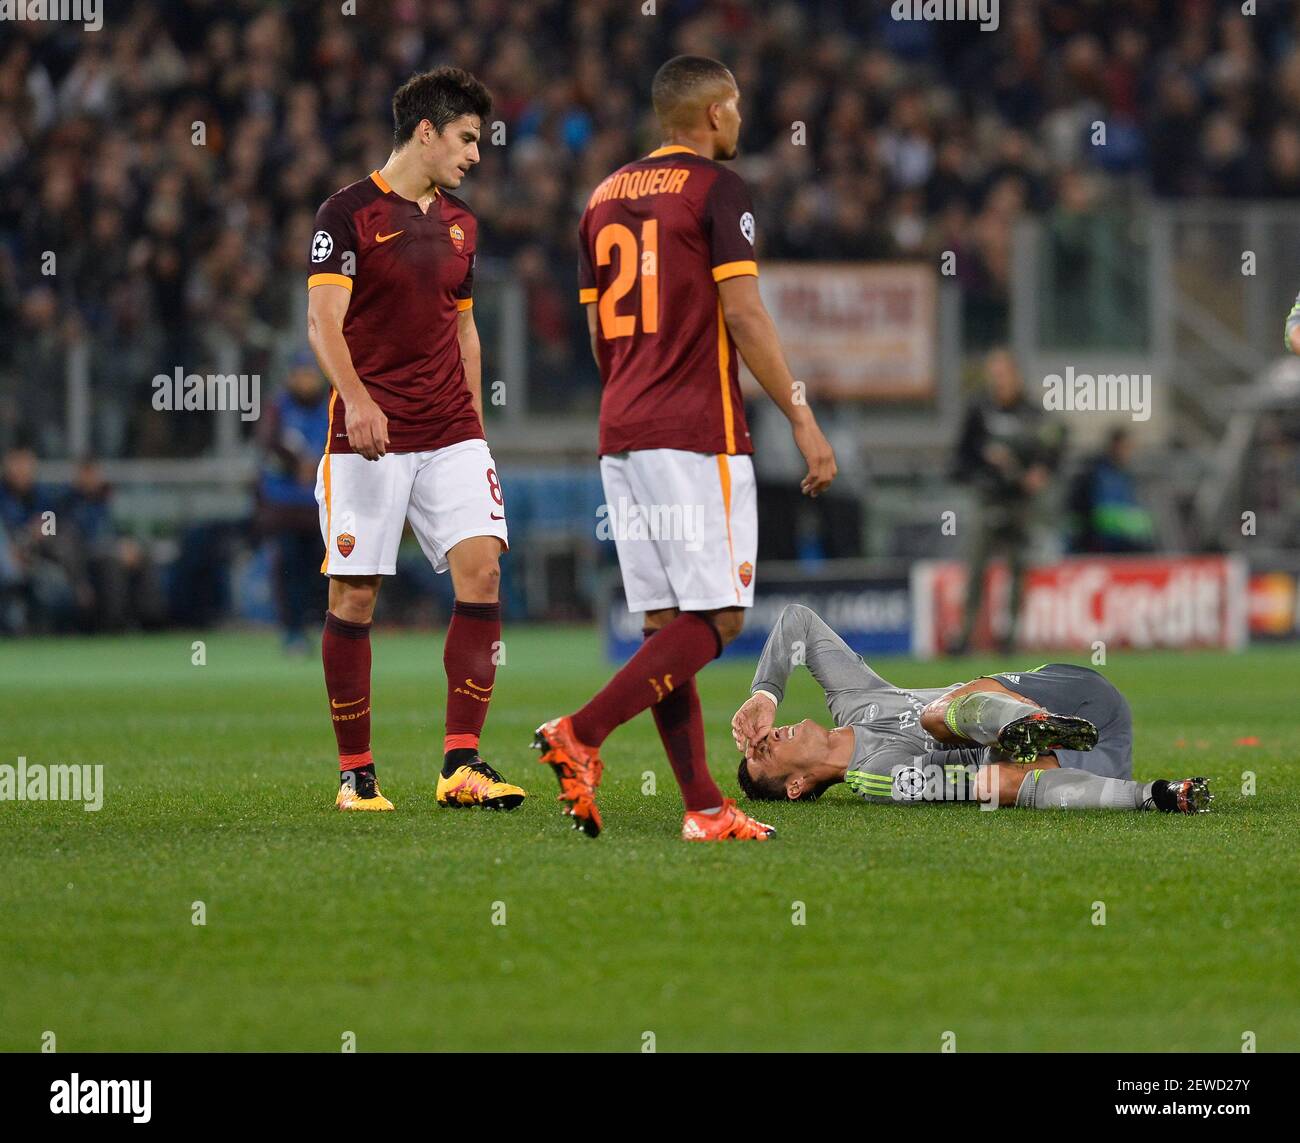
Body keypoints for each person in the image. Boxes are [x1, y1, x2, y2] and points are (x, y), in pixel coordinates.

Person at [533, 55, 838, 841]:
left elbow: (600, 332)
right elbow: (746, 315)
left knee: (666, 623)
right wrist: (801, 417)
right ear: (714, 112)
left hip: (622, 427)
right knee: (723, 616)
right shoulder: (717, 190)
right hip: (696, 429)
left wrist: (633, 398)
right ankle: (583, 731)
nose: (739, 121)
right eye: (735, 107)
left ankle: (703, 806)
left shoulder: (599, 199)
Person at [307, 67, 524, 813]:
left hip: (450, 431)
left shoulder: (463, 223)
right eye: (467, 139)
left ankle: (460, 764)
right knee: (357, 596)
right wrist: (359, 402)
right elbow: (322, 324)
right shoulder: (347, 213)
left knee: (484, 576)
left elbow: (463, 329)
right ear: (425, 132)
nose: (475, 154)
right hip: (367, 435)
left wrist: (477, 433)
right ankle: (356, 773)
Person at [731, 603, 1211, 814]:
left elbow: (798, 620)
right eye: (763, 752)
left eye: (760, 735)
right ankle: (1154, 794)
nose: (767, 736)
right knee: (984, 778)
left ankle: (1027, 721)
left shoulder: (852, 701)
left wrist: (765, 694)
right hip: (1085, 764)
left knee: (936, 714)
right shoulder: (877, 777)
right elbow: (981, 786)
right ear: (796, 786)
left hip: (1075, 697)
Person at [950, 348, 1061, 654]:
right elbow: (959, 458)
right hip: (987, 499)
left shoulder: (1032, 413)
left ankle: (1011, 636)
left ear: (1015, 376)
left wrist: (1041, 472)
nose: (997, 381)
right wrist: (984, 466)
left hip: (1020, 502)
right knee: (975, 568)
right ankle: (965, 635)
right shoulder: (978, 410)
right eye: (992, 375)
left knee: (1018, 568)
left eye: (1002, 375)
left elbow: (1053, 448)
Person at [257, 353, 331, 653]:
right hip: (285, 507)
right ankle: (292, 631)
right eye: (300, 374)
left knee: (326, 573)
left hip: (322, 505)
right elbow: (266, 446)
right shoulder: (278, 408)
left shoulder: (331, 403)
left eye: (310, 374)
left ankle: (327, 630)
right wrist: (295, 464)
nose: (306, 380)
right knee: (289, 570)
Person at [1066, 426, 1156, 553]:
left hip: (1121, 541)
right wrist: (1133, 522)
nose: (1129, 452)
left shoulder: (1123, 475)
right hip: (1099, 544)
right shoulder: (1097, 474)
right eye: (1126, 447)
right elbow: (1101, 515)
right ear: (1115, 446)